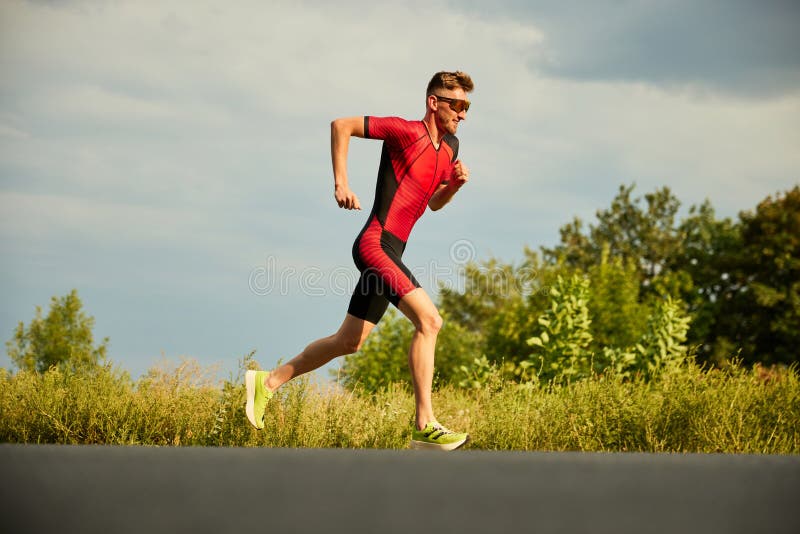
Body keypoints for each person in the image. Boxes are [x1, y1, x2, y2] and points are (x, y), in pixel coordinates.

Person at [246, 71, 474, 451]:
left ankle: (267, 382)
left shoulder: (450, 147)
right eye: (458, 105)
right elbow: (342, 125)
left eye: (467, 107)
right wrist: (341, 183)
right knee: (430, 321)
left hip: (393, 251)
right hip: (375, 245)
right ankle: (425, 424)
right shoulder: (405, 131)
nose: (463, 114)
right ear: (434, 103)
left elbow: (433, 203)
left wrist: (454, 187)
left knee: (349, 341)